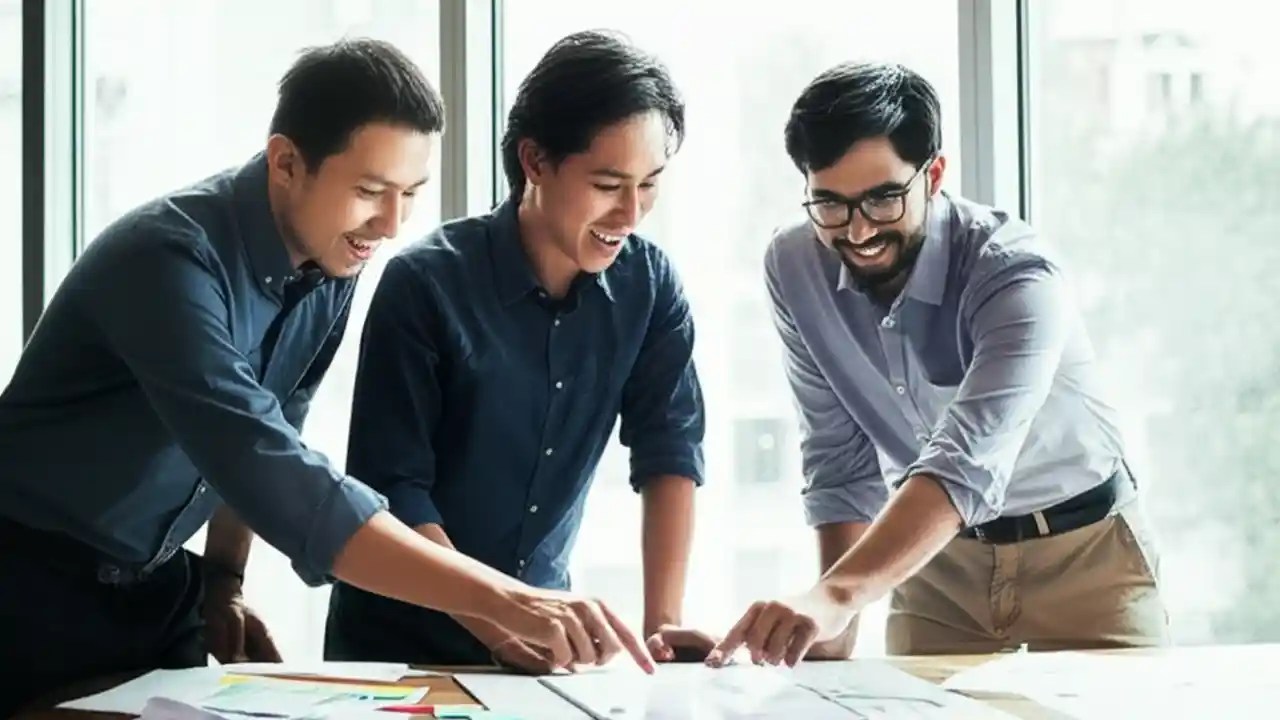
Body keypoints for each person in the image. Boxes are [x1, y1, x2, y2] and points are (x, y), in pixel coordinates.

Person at [0, 38, 649, 717]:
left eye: (410, 194)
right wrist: (504, 600)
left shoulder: (334, 254)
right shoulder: (165, 261)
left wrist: (224, 580)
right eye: (370, 191)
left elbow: (277, 420)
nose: (393, 225)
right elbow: (262, 461)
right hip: (30, 581)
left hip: (156, 586)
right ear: (286, 162)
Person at [706, 62, 1169, 668]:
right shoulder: (794, 266)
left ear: (935, 174)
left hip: (1085, 557)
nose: (859, 229)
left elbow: (965, 464)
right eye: (831, 204)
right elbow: (838, 459)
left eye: (883, 198)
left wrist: (836, 594)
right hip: (936, 568)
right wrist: (830, 624)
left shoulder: (1015, 273)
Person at [323, 30, 714, 672]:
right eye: (610, 183)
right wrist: (503, 629)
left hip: (543, 649)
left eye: (649, 184)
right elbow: (395, 488)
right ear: (535, 161)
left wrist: (663, 624)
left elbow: (669, 448)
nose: (631, 212)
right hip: (397, 653)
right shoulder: (424, 284)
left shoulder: (650, 286)